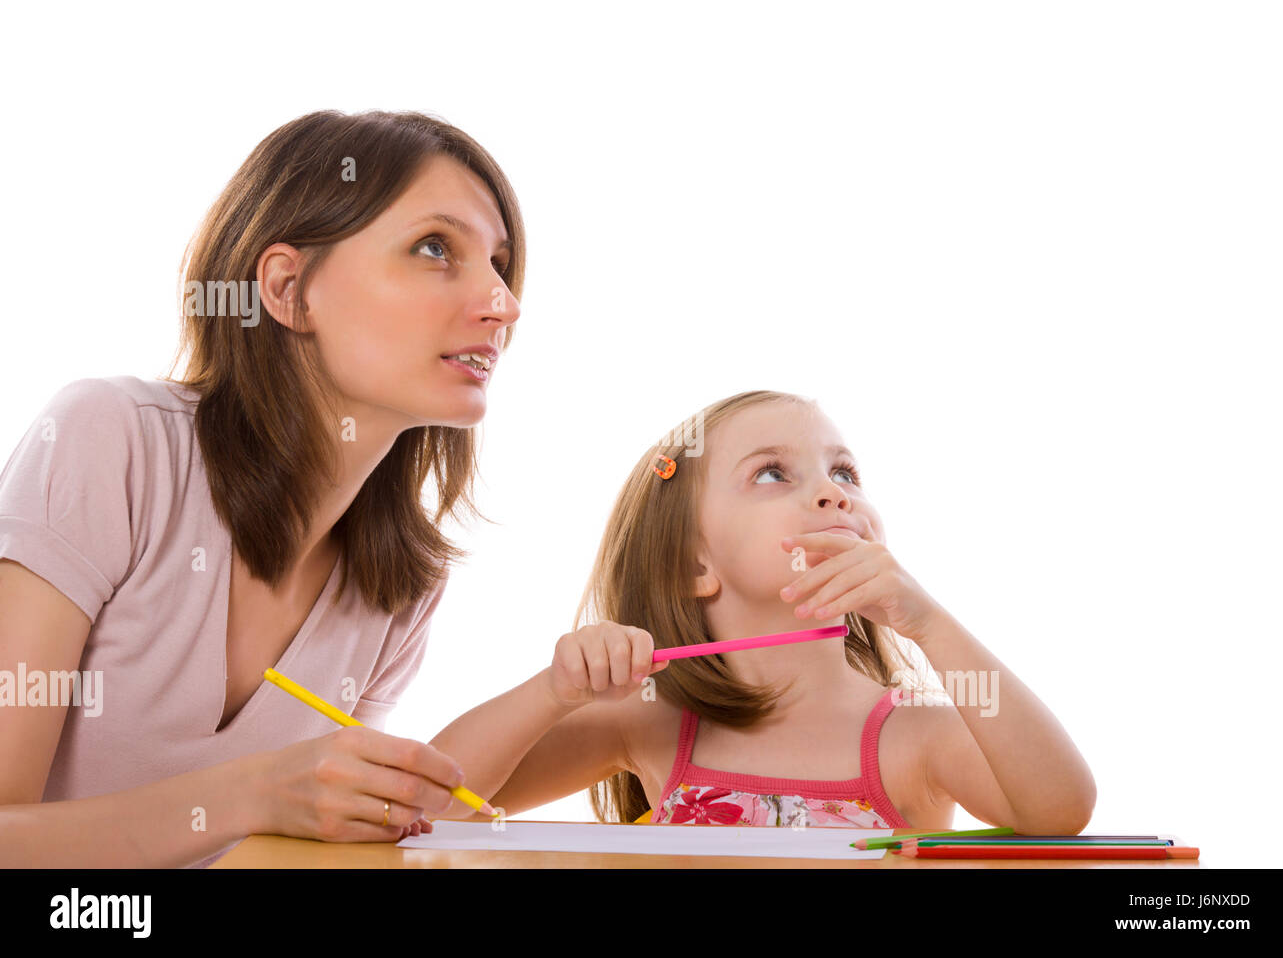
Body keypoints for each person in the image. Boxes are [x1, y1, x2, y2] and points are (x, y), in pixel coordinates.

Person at [0, 108, 525, 867]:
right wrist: (252, 796)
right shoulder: (110, 442)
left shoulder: (403, 585)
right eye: (435, 248)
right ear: (287, 288)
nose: (502, 304)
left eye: (500, 266)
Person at [428, 391, 1097, 832]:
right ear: (693, 567)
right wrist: (552, 692)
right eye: (773, 474)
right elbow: (430, 805)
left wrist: (928, 623)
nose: (834, 496)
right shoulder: (651, 723)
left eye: (845, 474)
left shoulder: (916, 734)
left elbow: (1060, 810)